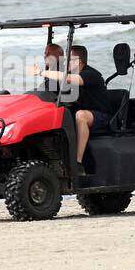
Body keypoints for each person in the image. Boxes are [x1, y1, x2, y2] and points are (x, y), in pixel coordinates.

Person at [27, 45, 109, 175]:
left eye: (69, 59)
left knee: (80, 115)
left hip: (101, 116)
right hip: (82, 111)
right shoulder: (72, 74)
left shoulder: (90, 74)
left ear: (78, 61)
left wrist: (41, 72)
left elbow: (68, 78)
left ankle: (78, 162)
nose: (65, 62)